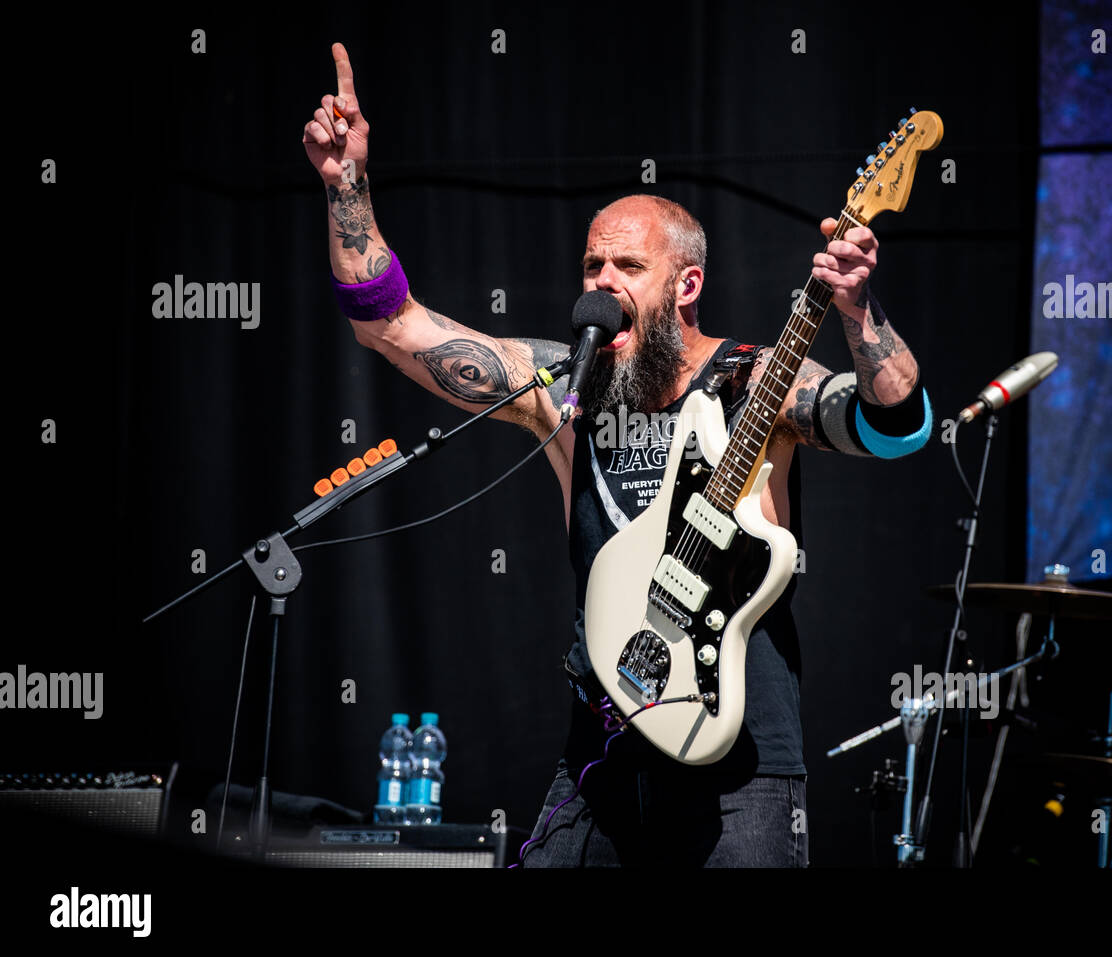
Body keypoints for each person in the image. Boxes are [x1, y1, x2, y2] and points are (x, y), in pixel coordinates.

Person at [303, 43, 932, 866]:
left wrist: (856, 311)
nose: (602, 282)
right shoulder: (563, 385)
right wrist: (345, 184)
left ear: (687, 284)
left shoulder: (753, 380)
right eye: (592, 264)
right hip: (602, 749)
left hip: (738, 756)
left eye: (628, 265)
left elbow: (896, 424)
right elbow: (392, 325)